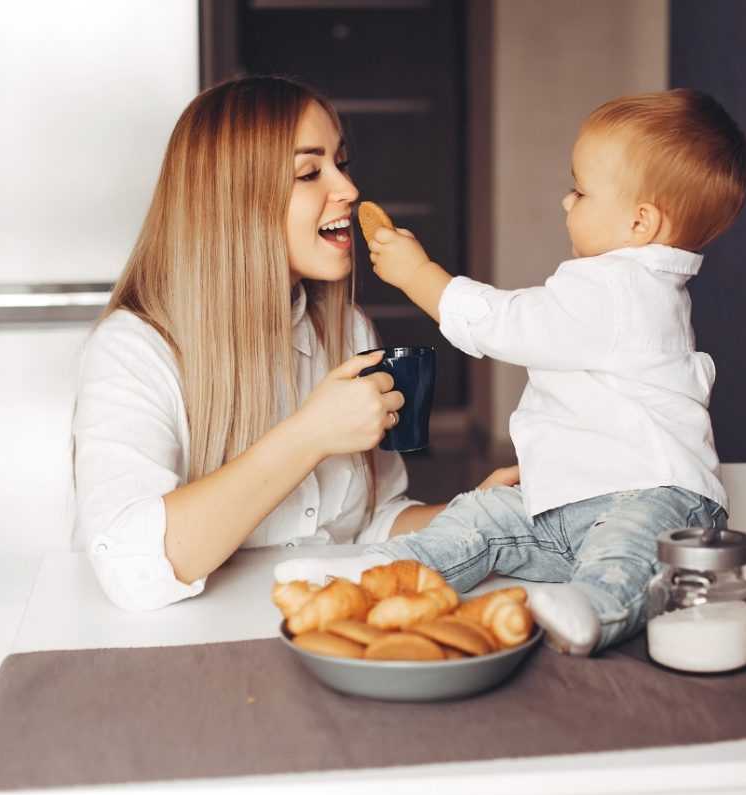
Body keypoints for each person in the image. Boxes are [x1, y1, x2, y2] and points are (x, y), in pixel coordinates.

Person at [275, 88, 746, 655]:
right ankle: (374, 574)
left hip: (650, 496)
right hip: (572, 503)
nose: (565, 202)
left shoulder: (620, 286)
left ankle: (593, 607)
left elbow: (507, 324)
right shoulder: (628, 286)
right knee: (480, 517)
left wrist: (420, 274)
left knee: (626, 553)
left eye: (580, 190)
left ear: (639, 222)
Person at [72, 75, 517, 612]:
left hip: (320, 633)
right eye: (309, 172)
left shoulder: (348, 331)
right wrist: (311, 434)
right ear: (233, 200)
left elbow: (373, 524)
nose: (349, 190)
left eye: (341, 163)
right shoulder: (135, 351)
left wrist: (476, 513)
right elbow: (130, 567)